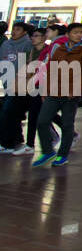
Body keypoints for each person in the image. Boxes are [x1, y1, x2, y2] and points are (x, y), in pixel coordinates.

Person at [33, 23, 82, 167]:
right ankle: (48, 151)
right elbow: (51, 69)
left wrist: (76, 89)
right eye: (75, 32)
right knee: (42, 121)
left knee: (67, 124)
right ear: (67, 35)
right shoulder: (59, 48)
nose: (79, 35)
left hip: (71, 95)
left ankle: (62, 155)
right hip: (53, 91)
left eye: (81, 32)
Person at [0, 22, 32, 153]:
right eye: (13, 29)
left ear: (24, 32)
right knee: (14, 113)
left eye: (18, 29)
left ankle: (8, 143)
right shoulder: (6, 44)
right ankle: (16, 138)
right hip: (8, 84)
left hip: (21, 85)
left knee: (7, 113)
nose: (14, 32)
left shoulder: (28, 44)